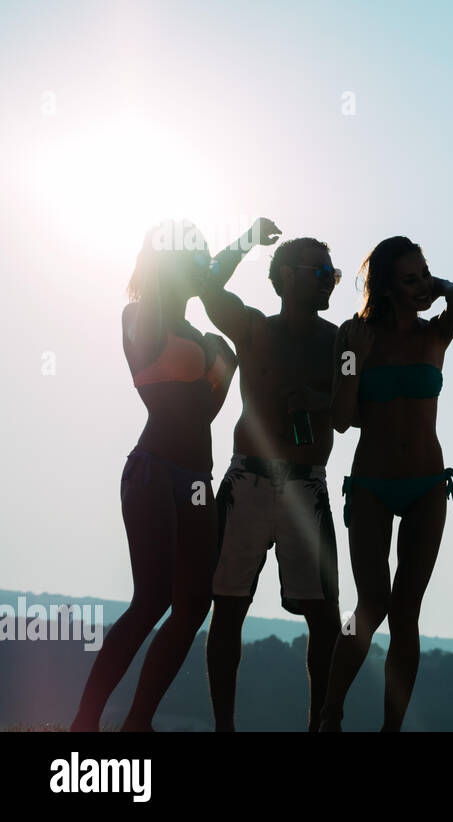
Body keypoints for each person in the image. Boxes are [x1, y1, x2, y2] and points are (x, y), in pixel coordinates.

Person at [71, 219, 253, 731]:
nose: (202, 264)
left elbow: (207, 412)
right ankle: (84, 721)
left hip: (197, 476)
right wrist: (216, 260)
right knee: (150, 599)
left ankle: (138, 722)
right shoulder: (141, 317)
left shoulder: (203, 336)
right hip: (153, 470)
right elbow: (172, 388)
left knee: (194, 604)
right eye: (190, 256)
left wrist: (246, 240)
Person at [319, 236, 453, 731]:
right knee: (370, 604)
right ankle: (331, 708)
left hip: (427, 484)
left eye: (424, 274)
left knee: (407, 611)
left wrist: (435, 285)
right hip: (371, 484)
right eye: (409, 278)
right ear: (384, 286)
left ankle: (391, 729)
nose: (422, 285)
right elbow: (340, 419)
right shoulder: (353, 336)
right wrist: (356, 362)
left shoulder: (436, 334)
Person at [199, 223, 346, 732]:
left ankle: (321, 726)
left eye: (334, 273)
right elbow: (207, 287)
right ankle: (224, 728)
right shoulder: (255, 329)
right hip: (250, 484)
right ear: (287, 277)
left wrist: (321, 402)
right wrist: (245, 240)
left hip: (308, 483)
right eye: (321, 272)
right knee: (229, 607)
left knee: (326, 618)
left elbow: (357, 409)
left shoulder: (340, 341)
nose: (330, 281)